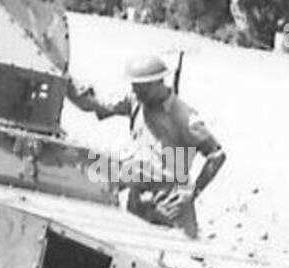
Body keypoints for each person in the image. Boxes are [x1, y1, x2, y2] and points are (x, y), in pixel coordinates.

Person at [67, 54, 225, 237]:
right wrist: (65, 80)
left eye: (141, 87)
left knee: (177, 256)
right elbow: (92, 104)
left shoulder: (183, 116)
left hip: (170, 202)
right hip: (139, 197)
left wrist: (192, 193)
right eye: (134, 86)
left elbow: (216, 155)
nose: (136, 92)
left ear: (157, 83)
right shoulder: (136, 102)